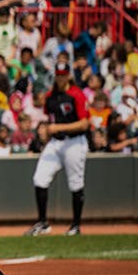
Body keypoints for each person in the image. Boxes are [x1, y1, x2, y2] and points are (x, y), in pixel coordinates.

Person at [25, 63, 90, 237]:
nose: (60, 78)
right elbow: (47, 113)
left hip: (75, 142)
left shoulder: (76, 94)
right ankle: (43, 222)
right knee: (39, 178)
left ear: (68, 75)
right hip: (56, 142)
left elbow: (85, 123)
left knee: (75, 183)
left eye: (63, 75)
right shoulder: (51, 95)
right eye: (58, 75)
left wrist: (58, 127)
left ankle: (76, 225)